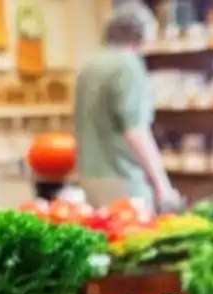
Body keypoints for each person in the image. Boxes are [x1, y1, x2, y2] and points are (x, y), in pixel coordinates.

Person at [74, 2, 179, 211]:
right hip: (123, 179)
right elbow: (136, 132)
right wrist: (162, 186)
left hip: (88, 175)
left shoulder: (89, 64)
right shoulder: (127, 66)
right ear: (142, 34)